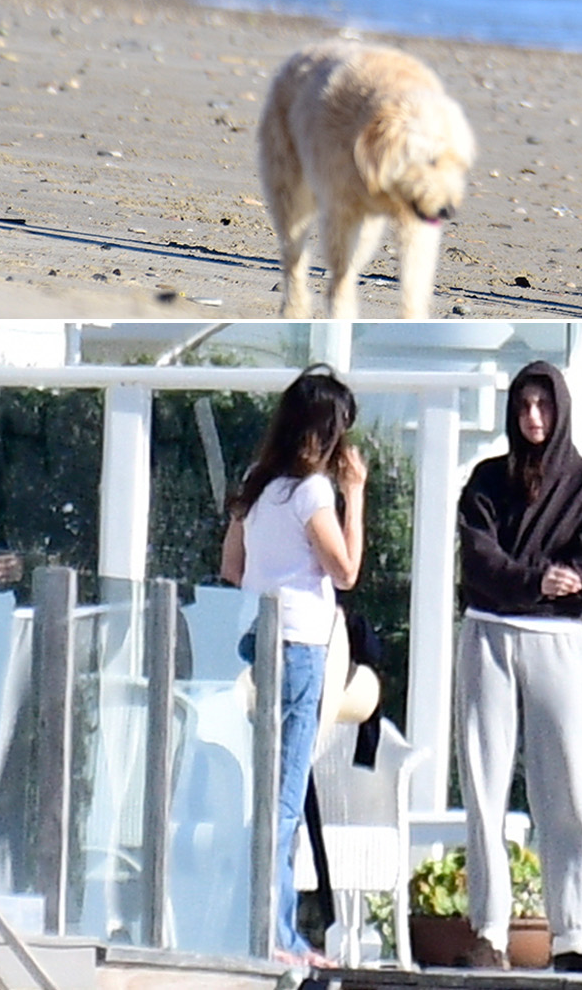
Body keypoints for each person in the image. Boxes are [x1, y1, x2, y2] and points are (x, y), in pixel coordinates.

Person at [454, 361, 582, 971]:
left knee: (569, 789)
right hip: (488, 634)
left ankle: (572, 935)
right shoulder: (486, 480)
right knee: (484, 784)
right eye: (524, 406)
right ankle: (490, 932)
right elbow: (477, 562)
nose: (533, 418)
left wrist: (553, 585)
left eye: (543, 406)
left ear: (561, 410)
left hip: (558, 641)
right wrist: (538, 579)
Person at [218, 365, 365, 969]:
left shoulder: (255, 482)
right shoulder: (311, 491)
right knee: (283, 797)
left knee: (263, 791)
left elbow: (232, 567)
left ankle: (262, 925)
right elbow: (346, 570)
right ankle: (276, 934)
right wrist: (355, 495)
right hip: (302, 644)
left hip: (256, 636)